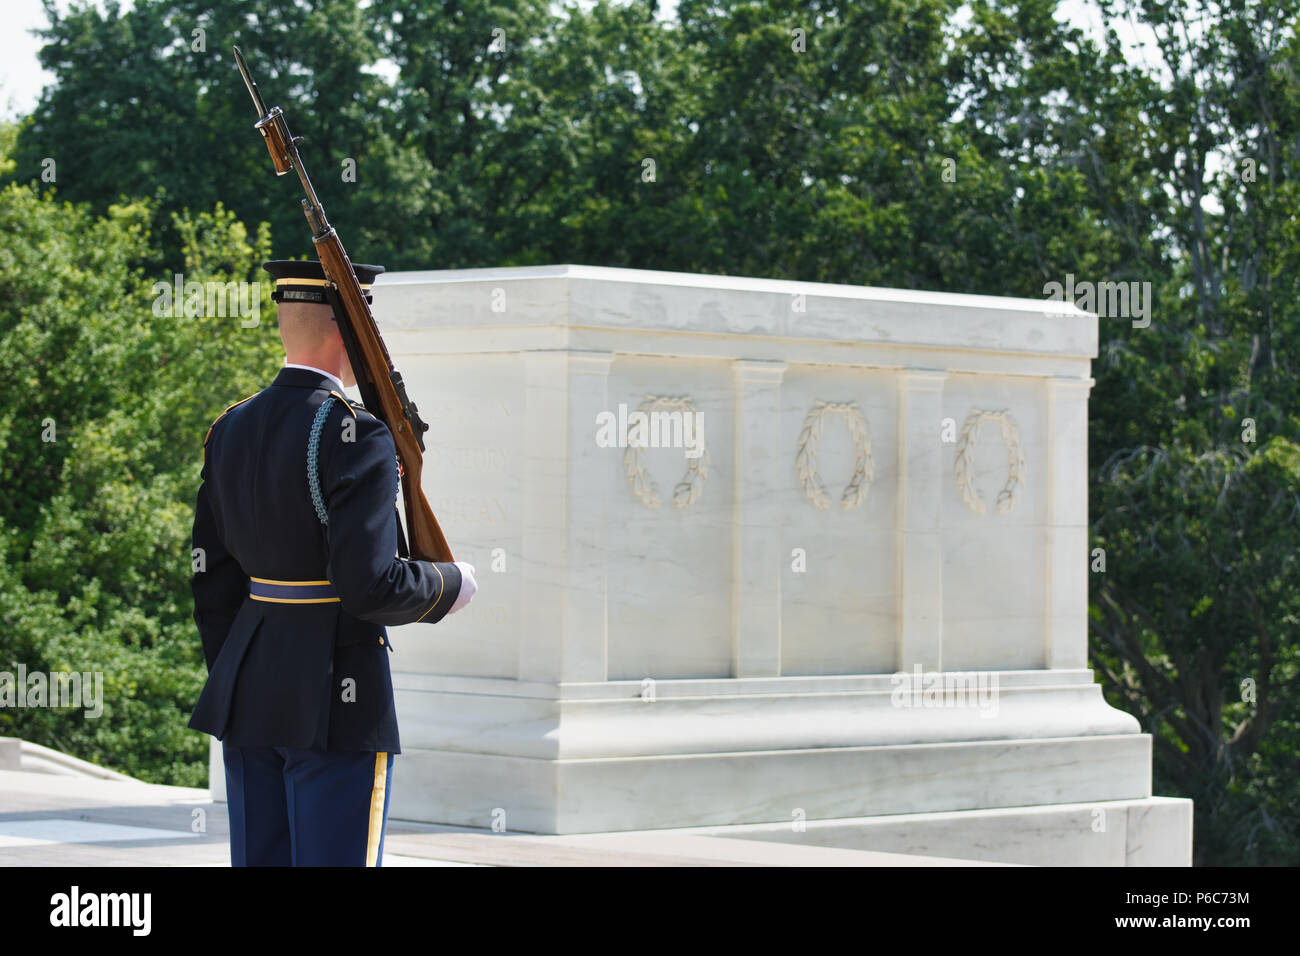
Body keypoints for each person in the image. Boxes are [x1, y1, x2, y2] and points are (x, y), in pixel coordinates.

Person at [187, 259, 476, 866]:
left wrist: (240, 676)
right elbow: (369, 586)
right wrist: (449, 583)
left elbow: (211, 581)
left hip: (249, 689)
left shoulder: (229, 427)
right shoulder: (357, 433)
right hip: (335, 695)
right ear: (350, 330)